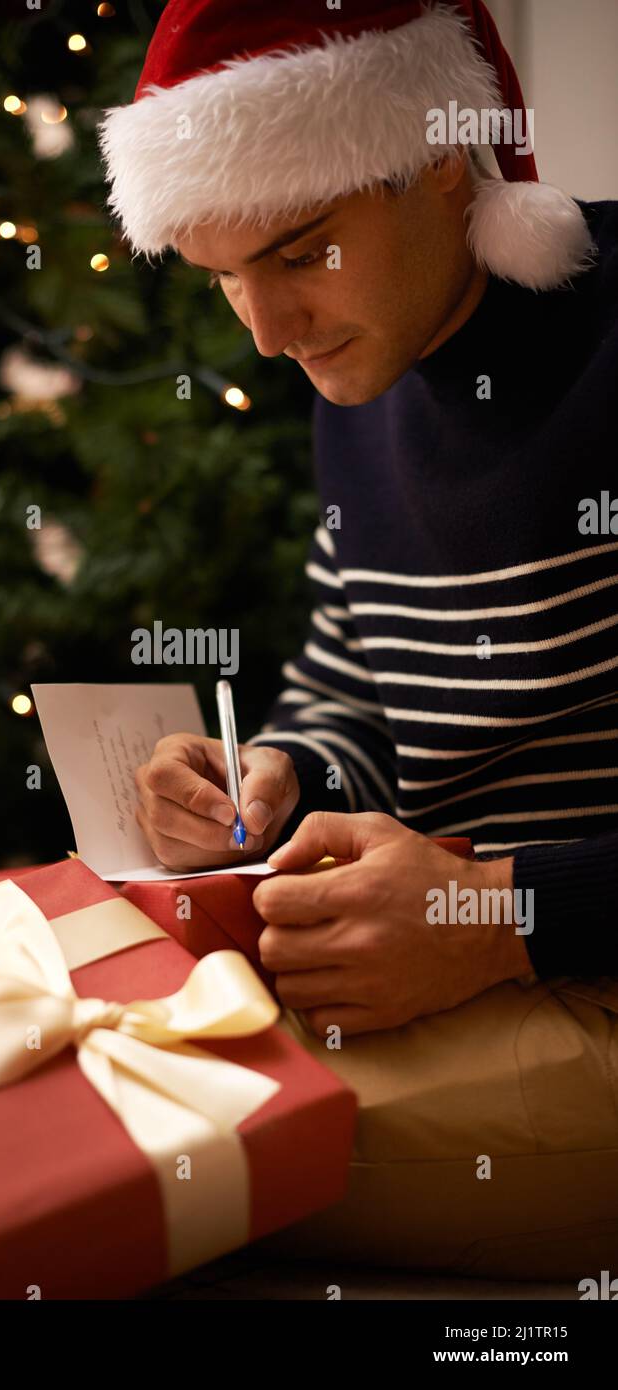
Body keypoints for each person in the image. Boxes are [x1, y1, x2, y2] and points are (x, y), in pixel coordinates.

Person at [98, 0, 618, 1279]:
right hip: (469, 962)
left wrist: (497, 914)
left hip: (568, 971)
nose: (266, 333)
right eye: (225, 281)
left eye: (299, 253)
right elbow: (356, 685)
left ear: (445, 160)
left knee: (91, 1160)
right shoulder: (368, 363)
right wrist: (279, 775)